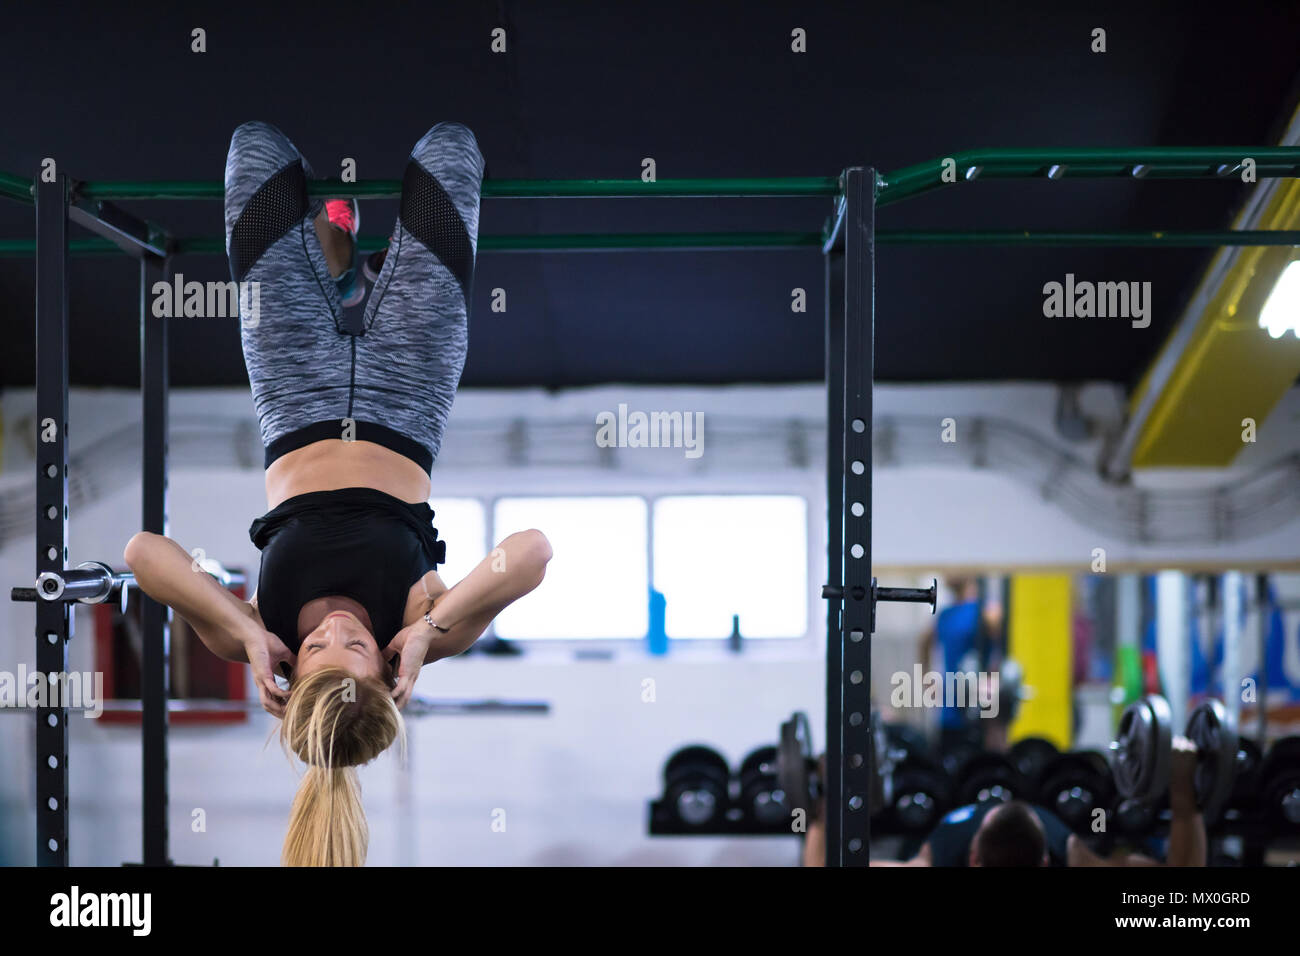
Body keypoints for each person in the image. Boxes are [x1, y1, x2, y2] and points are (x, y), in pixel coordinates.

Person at [123, 120, 552, 866]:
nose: (334, 632)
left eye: (319, 648)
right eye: (355, 645)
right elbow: (532, 553)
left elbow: (142, 553)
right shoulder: (424, 631)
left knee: (255, 149)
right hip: (408, 390)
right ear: (387, 675)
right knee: (449, 149)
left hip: (291, 393)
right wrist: (429, 628)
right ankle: (348, 270)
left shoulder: (261, 638)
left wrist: (248, 630)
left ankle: (343, 271)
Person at [801, 736, 1206, 866]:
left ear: (973, 858)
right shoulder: (1071, 854)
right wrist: (1184, 790)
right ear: (1045, 864)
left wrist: (825, 800)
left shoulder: (939, 857)